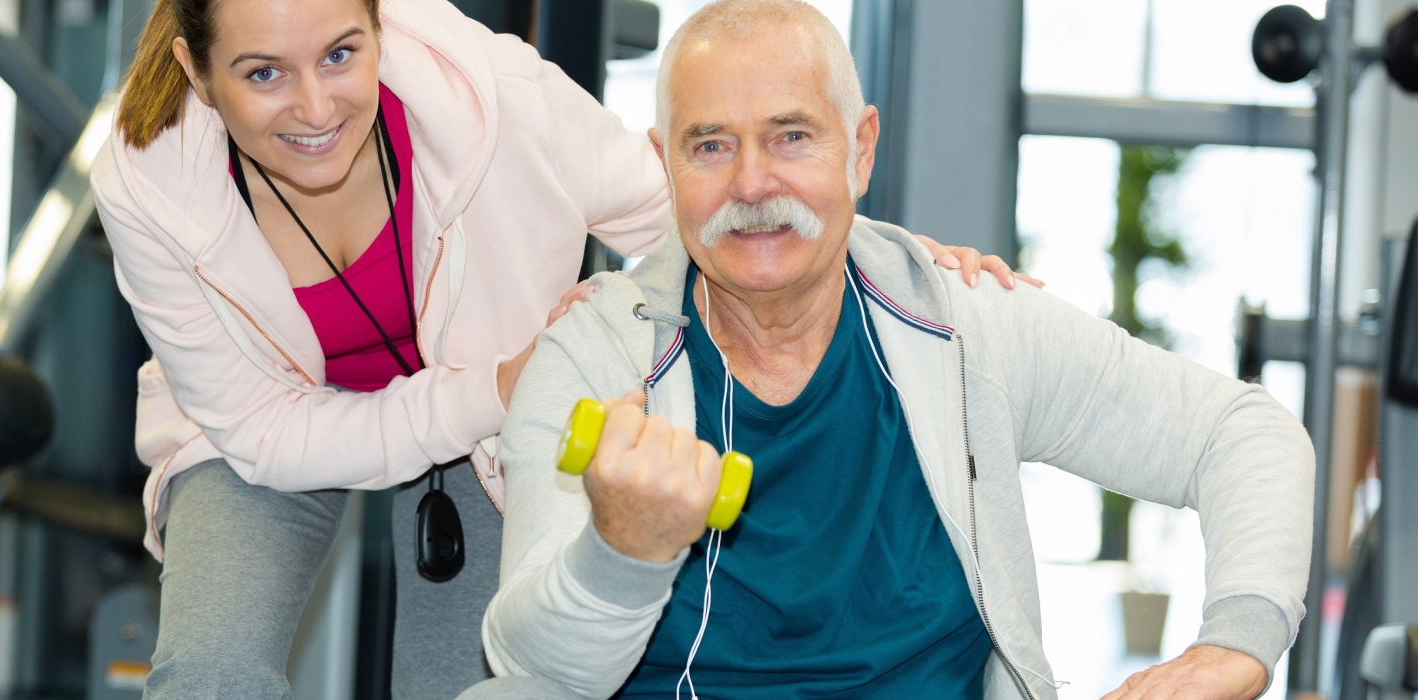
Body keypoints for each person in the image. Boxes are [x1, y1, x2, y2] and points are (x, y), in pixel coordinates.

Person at [90, 0, 1022, 695]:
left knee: (482, 683)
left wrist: (878, 258)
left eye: (342, 53)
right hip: (278, 426)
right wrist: (495, 384)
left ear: (380, 23)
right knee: (207, 675)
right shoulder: (146, 182)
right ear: (195, 66)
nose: (316, 105)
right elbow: (262, 431)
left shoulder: (493, 97)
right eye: (262, 75)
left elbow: (696, 214)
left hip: (495, 429)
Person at [475, 2, 1315, 699]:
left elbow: (1240, 432)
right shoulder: (593, 358)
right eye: (711, 145)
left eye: (793, 136)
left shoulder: (971, 325)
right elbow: (530, 670)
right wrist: (621, 550)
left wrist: (1234, 644)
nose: (753, 183)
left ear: (861, 149)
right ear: (667, 168)